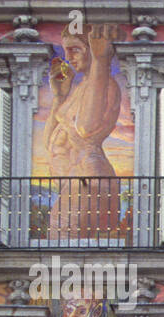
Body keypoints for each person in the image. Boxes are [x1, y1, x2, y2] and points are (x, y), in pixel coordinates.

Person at [45, 24, 122, 237]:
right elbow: (51, 141)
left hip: (90, 182)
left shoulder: (106, 84)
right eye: (65, 50)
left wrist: (101, 61)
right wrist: (59, 97)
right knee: (59, 250)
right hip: (76, 183)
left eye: (75, 49)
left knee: (62, 249)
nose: (68, 57)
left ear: (93, 48)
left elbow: (87, 128)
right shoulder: (79, 89)